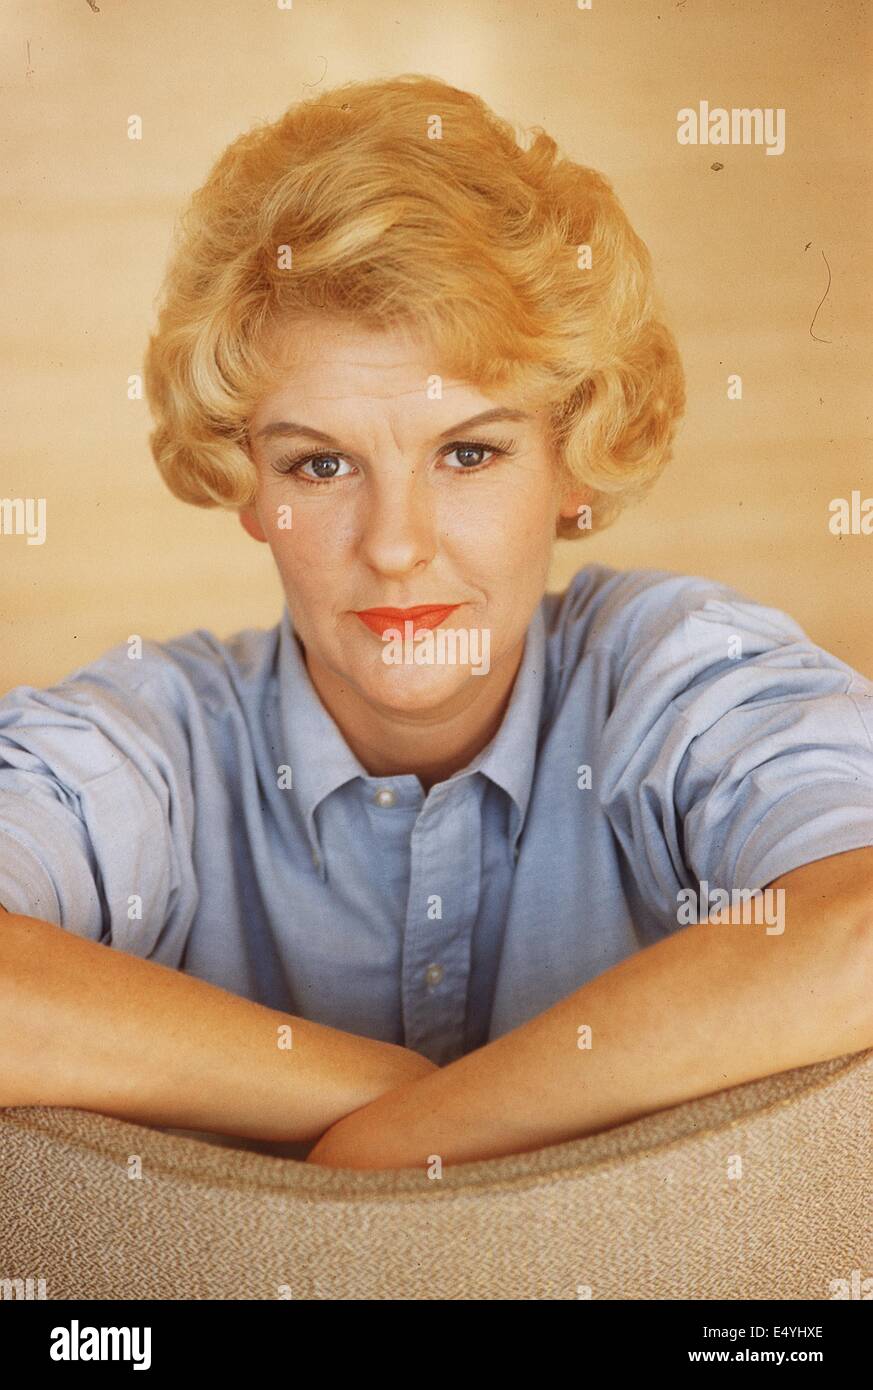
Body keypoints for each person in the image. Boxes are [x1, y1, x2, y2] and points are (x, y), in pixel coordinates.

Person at [1, 74, 871, 1171]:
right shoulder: (151, 738)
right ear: (248, 486)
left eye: (468, 452)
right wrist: (389, 1095)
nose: (395, 546)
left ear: (573, 463)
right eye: (321, 465)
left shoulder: (674, 670)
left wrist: (396, 1142)